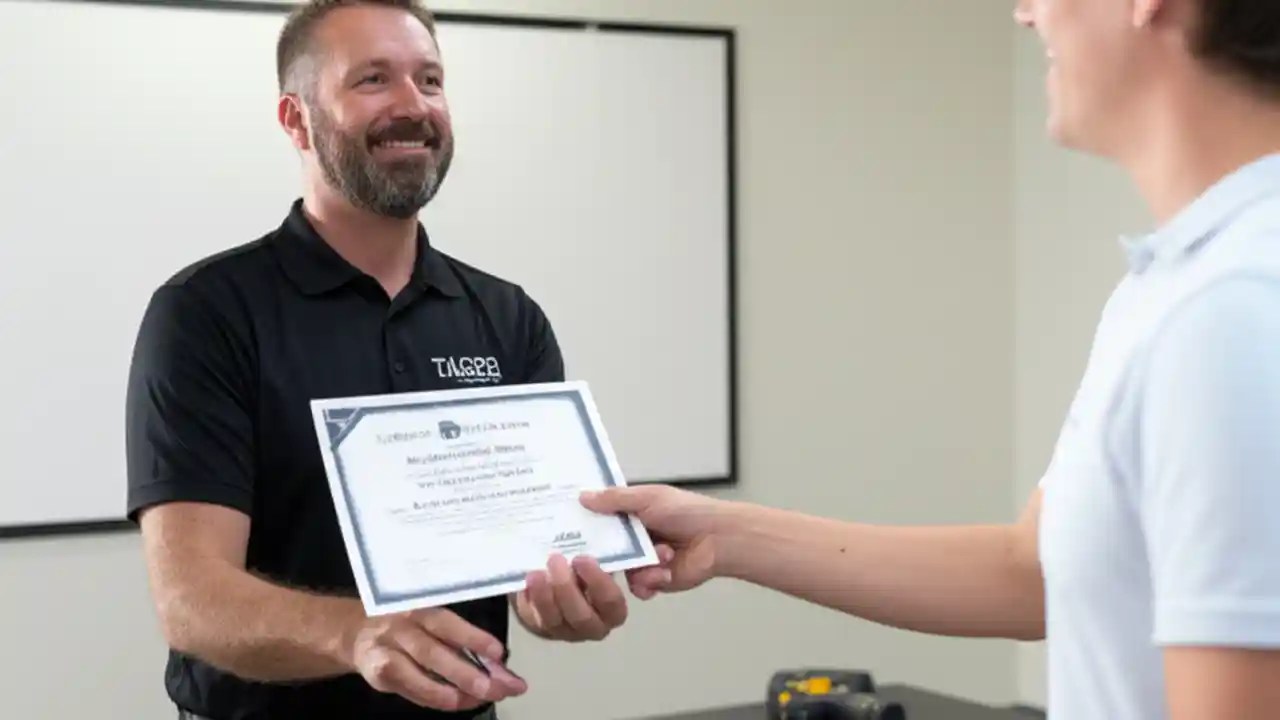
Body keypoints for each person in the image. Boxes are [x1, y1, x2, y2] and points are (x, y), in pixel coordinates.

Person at [583, 0, 1280, 717]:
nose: (1026, 13)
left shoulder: (1235, 304)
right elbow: (1036, 571)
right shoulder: (1171, 289)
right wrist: (724, 535)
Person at [124, 1, 629, 718]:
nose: (412, 105)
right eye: (372, 80)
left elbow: (531, 555)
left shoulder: (507, 318)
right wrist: (355, 635)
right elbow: (191, 601)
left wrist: (559, 599)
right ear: (295, 119)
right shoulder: (207, 313)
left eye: (430, 79)